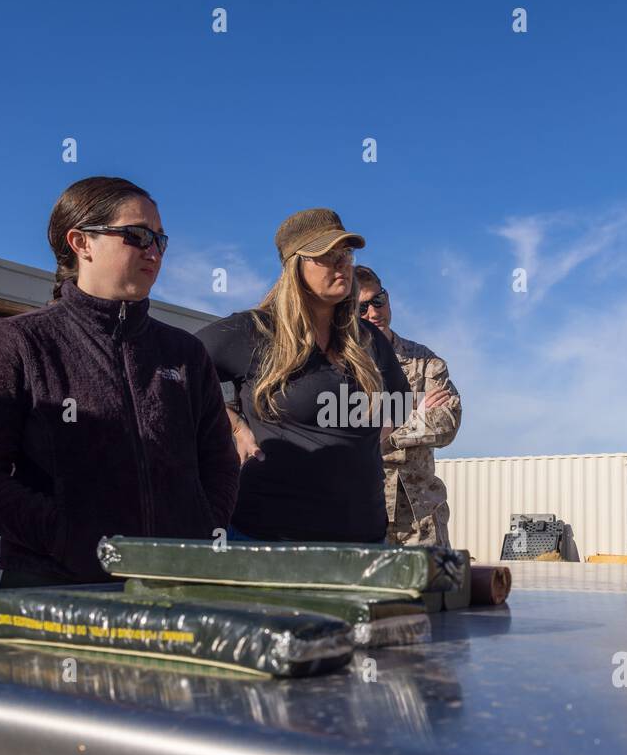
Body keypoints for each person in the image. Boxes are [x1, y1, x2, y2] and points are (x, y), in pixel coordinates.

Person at [0, 177, 238, 587]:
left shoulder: (184, 353)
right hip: (56, 589)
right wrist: (67, 536)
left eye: (160, 239)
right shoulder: (20, 341)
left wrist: (200, 531)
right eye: (136, 235)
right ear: (82, 242)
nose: (153, 250)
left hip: (176, 587)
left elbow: (220, 464)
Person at [197, 209, 409, 543]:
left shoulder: (369, 338)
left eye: (346, 254)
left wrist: (349, 453)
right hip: (267, 541)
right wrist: (233, 425)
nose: (341, 264)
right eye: (326, 256)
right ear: (295, 266)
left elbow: (399, 404)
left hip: (365, 542)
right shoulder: (252, 331)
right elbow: (173, 374)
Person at [355, 265, 461, 547]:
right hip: (360, 510)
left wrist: (381, 431)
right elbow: (338, 428)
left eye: (379, 300)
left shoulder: (425, 361)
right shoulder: (342, 365)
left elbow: (446, 423)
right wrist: (414, 411)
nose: (375, 312)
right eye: (363, 307)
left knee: (431, 591)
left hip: (419, 517)